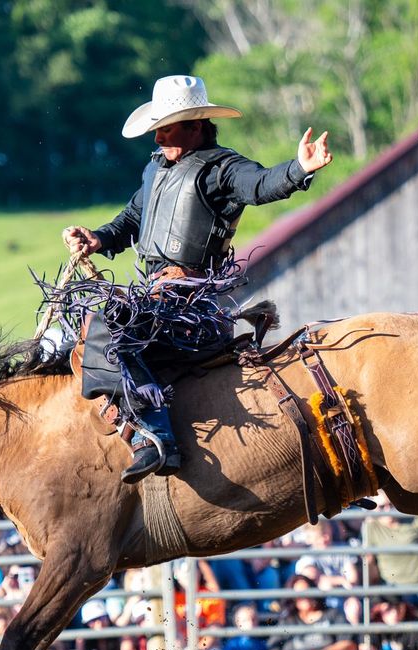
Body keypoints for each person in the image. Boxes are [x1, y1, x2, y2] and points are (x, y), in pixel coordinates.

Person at [62, 74, 332, 483]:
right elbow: (132, 219)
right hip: (152, 292)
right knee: (78, 336)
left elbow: (260, 185)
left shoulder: (222, 168)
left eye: (165, 129)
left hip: (192, 302)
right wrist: (98, 238)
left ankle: (155, 438)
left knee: (111, 329)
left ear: (196, 125)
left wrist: (299, 169)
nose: (157, 140)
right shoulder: (154, 171)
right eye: (156, 130)